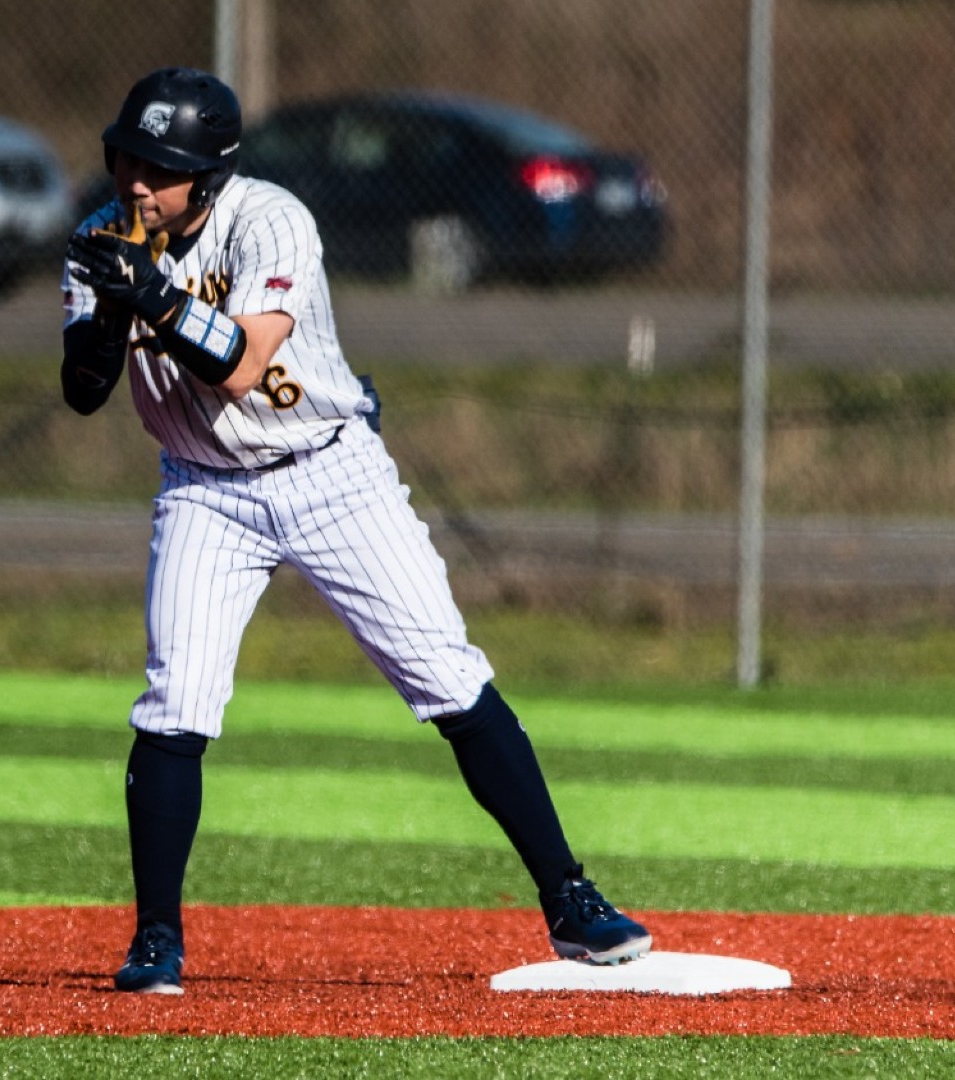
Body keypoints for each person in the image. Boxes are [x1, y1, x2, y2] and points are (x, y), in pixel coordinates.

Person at [60, 67, 651, 996]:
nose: (137, 182)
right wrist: (108, 309)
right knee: (176, 702)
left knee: (448, 678)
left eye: (160, 168)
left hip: (330, 472)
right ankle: (155, 940)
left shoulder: (271, 220)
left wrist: (157, 299)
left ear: (207, 175)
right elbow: (84, 388)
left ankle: (571, 900)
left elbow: (242, 367)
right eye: (127, 159)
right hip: (204, 488)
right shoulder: (100, 240)